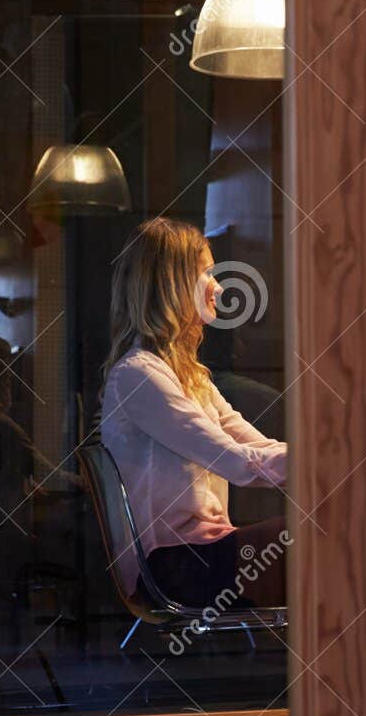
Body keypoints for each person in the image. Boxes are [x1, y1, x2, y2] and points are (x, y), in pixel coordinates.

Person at [99, 218, 288, 610]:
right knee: (347, 530)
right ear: (171, 284)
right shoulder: (140, 374)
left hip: (207, 550)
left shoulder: (191, 376)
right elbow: (237, 463)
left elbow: (255, 444)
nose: (219, 286)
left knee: (365, 523)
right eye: (206, 274)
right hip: (174, 565)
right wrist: (334, 464)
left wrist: (358, 456)